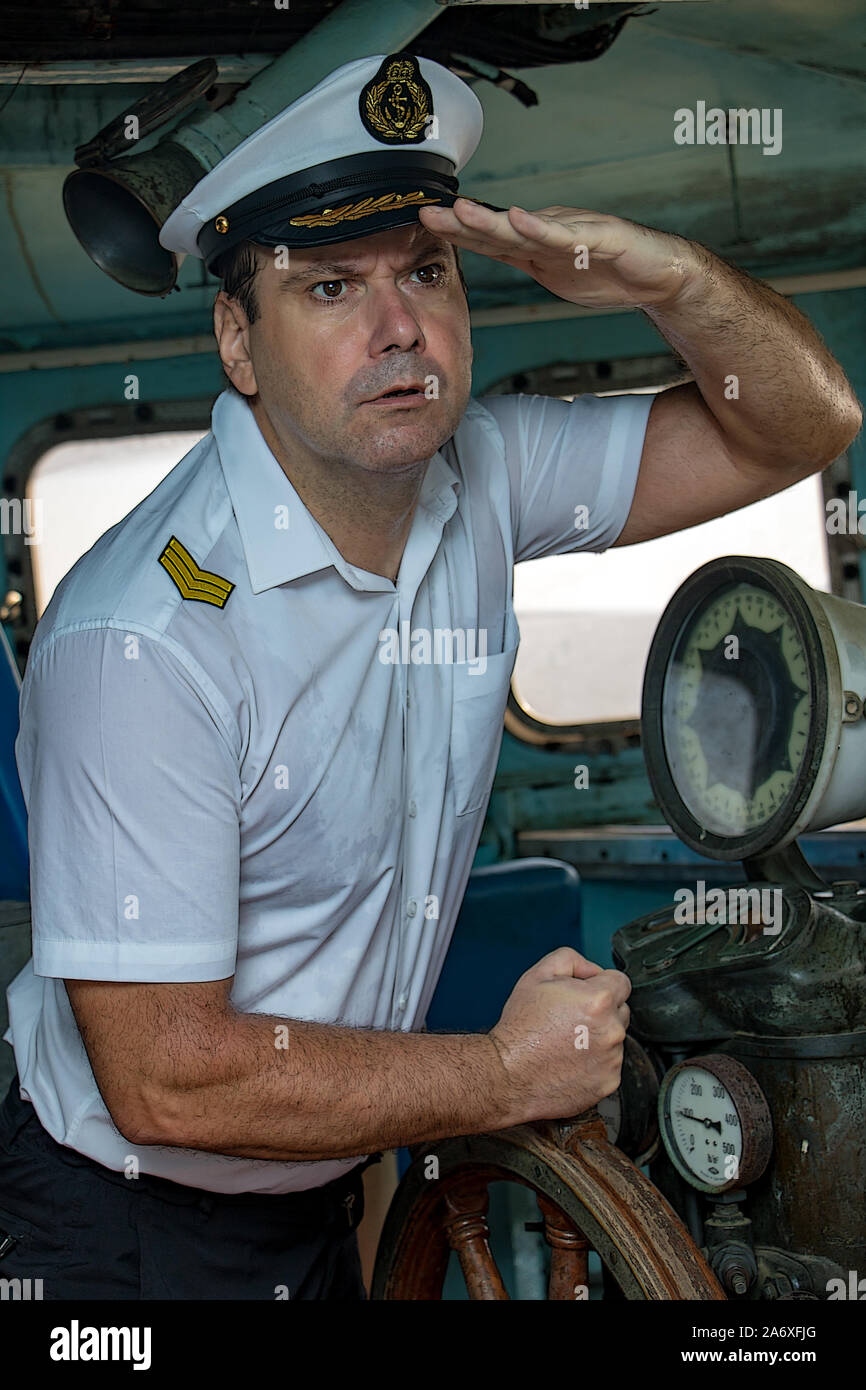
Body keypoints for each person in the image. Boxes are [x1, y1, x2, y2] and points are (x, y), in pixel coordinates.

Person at [0, 51, 860, 1301]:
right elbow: (166, 1075)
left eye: (423, 270)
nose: (397, 329)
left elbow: (799, 422)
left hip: (320, 1191)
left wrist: (663, 278)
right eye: (331, 287)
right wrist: (504, 1074)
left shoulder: (486, 476)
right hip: (119, 1230)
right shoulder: (143, 638)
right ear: (237, 339)